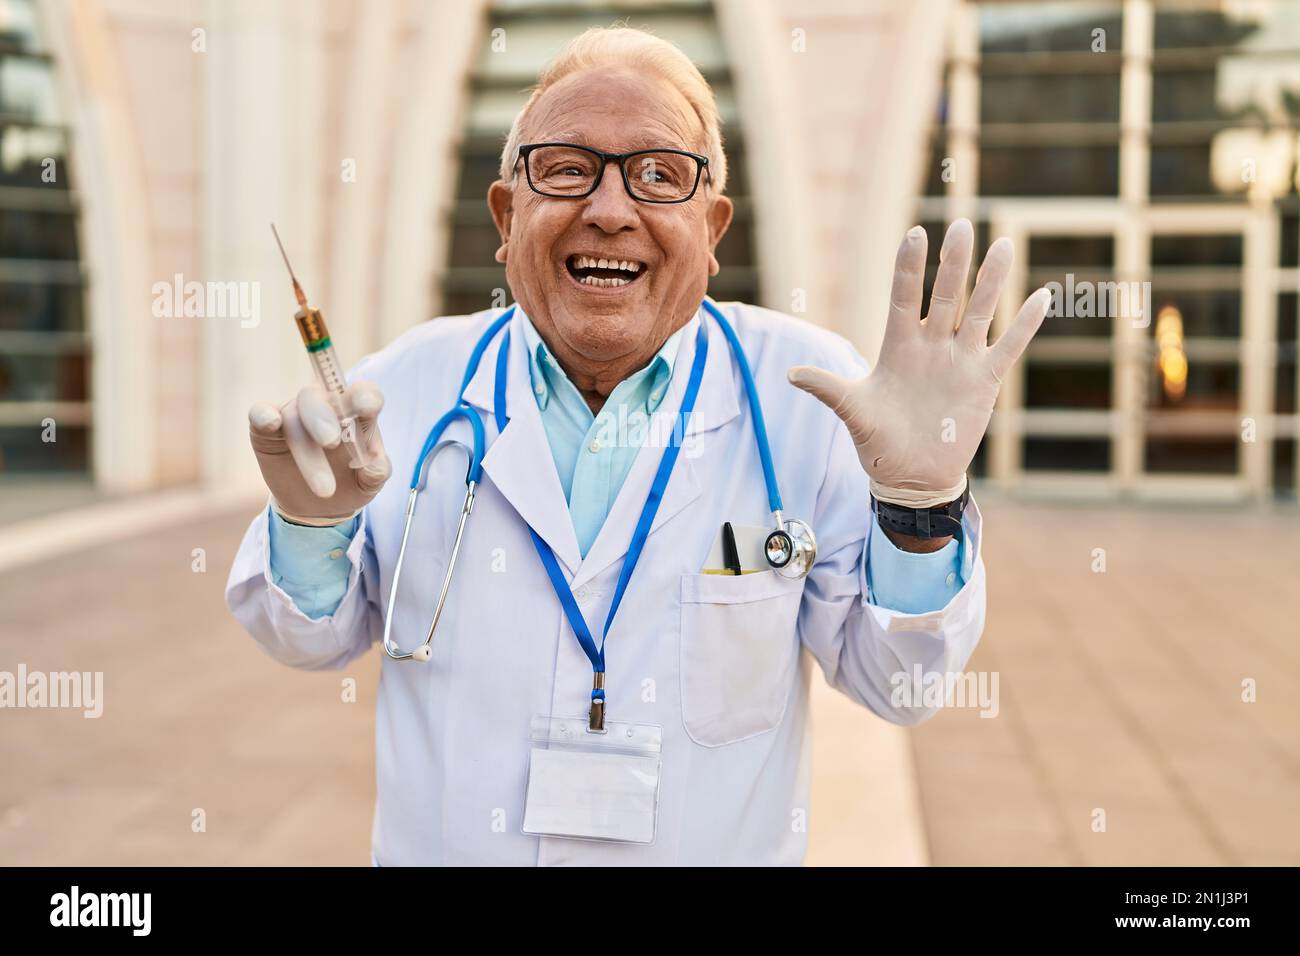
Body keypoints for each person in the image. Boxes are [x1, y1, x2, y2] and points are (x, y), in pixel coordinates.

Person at [225, 26, 1047, 865]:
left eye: (660, 176)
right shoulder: (404, 390)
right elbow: (303, 640)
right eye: (567, 169)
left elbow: (899, 684)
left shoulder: (806, 400)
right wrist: (309, 528)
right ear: (507, 216)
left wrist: (919, 508)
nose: (611, 211)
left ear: (713, 227)